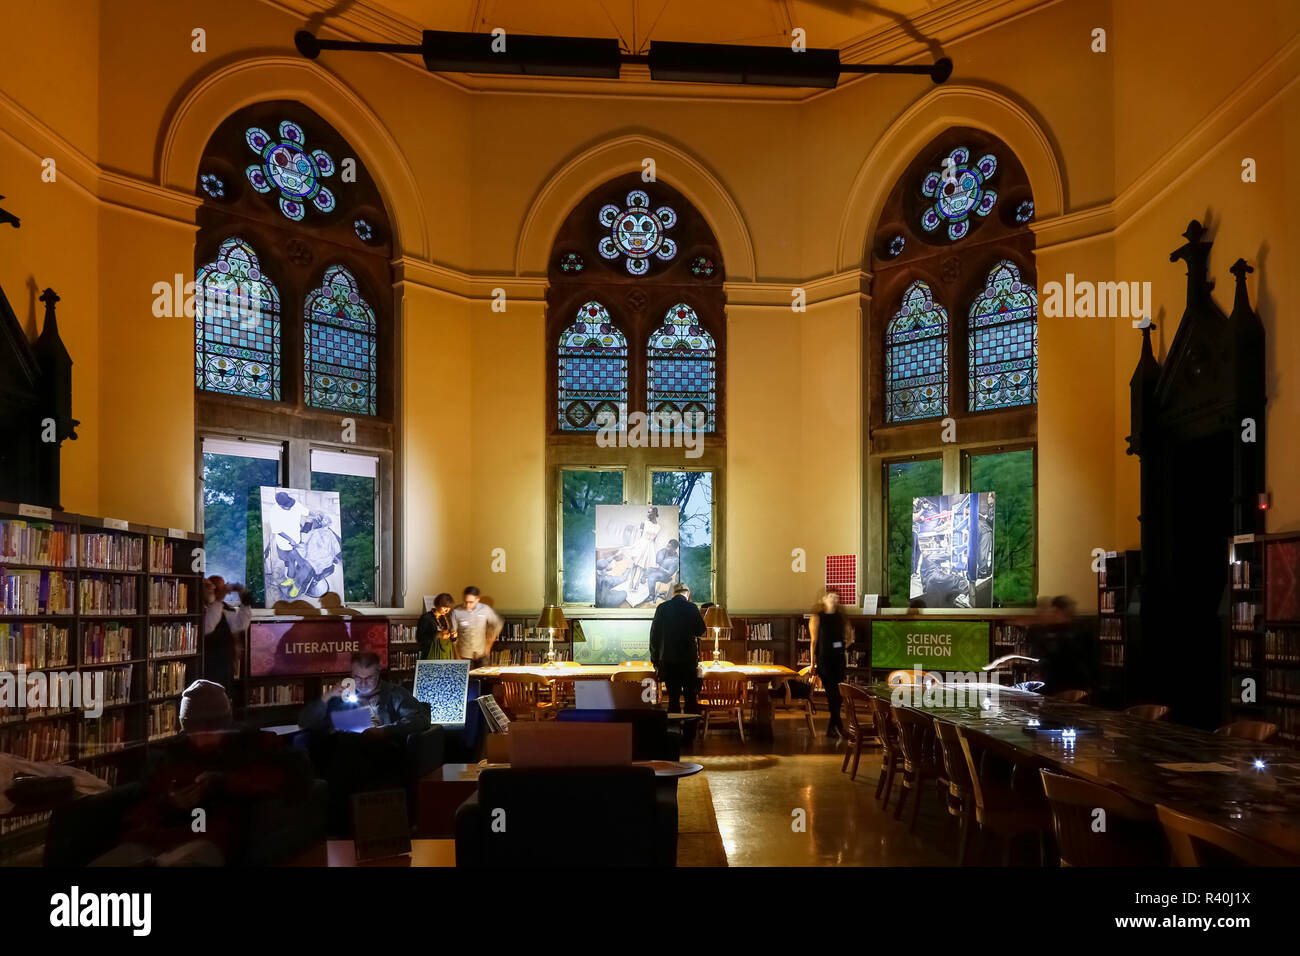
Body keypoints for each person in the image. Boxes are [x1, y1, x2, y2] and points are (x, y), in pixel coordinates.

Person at [96, 680, 313, 866]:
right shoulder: (172, 752)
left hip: (212, 839)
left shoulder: (253, 744)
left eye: (208, 732)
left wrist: (223, 783)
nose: (200, 740)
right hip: (160, 836)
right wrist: (170, 801)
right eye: (193, 732)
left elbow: (299, 776)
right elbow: (143, 800)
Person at [297, 652, 432, 834]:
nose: (362, 683)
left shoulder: (394, 694)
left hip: (382, 752)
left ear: (378, 673)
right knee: (338, 743)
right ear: (351, 675)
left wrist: (384, 730)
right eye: (357, 677)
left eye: (369, 678)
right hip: (345, 751)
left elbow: (421, 719)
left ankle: (335, 824)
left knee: (345, 747)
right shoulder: (342, 696)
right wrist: (327, 696)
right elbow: (306, 722)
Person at [649, 583, 705, 713]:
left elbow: (654, 636)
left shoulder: (662, 608)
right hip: (688, 663)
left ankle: (673, 730)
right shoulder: (691, 607)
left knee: (673, 700)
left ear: (673, 594)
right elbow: (700, 631)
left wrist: (656, 662)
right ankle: (690, 731)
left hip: (668, 662)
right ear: (688, 594)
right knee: (690, 699)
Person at [1027, 595, 1095, 694]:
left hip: (1068, 686)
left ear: (1057, 610)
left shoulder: (1072, 633)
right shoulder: (1054, 631)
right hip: (1065, 684)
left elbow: (1057, 658)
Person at [809, 590, 849, 737]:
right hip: (824, 660)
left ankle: (833, 727)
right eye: (831, 597)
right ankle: (837, 726)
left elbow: (848, 636)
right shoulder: (817, 617)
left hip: (838, 660)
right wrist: (813, 664)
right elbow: (813, 641)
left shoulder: (840, 617)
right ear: (824, 599)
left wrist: (843, 646)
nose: (834, 600)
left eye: (836, 598)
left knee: (838, 695)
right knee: (832, 693)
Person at [202, 576, 251, 691]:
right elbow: (208, 627)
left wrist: (244, 597)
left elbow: (241, 623)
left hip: (225, 664)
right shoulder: (201, 610)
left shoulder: (223, 609)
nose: (215, 590)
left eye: (219, 589)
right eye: (210, 587)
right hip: (207, 667)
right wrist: (218, 601)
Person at [266, 490, 312, 599]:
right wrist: (290, 539)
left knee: (300, 562)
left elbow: (307, 512)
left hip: (297, 540)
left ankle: (297, 583)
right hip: (283, 542)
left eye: (290, 505)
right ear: (280, 505)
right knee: (288, 560)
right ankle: (290, 578)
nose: (290, 507)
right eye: (287, 507)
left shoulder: (295, 504)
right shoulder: (274, 511)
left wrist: (314, 516)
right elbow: (277, 529)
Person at [450, 586, 503, 668]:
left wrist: (489, 644)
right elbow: (453, 637)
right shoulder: (456, 612)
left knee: (486, 679)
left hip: (482, 654)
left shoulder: (485, 609)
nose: (467, 605)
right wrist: (456, 655)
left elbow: (497, 624)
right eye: (465, 601)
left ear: (477, 599)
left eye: (471, 602)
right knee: (469, 680)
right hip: (464, 656)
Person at [627, 507, 662, 589]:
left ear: (654, 514)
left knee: (643, 566)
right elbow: (639, 535)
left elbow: (655, 540)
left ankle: (637, 583)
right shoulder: (644, 522)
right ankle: (631, 581)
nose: (648, 514)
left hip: (649, 547)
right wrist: (636, 546)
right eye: (648, 512)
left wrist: (652, 552)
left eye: (650, 512)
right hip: (641, 543)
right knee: (635, 563)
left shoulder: (658, 527)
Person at [416, 593, 457, 659]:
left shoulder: (447, 617)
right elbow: (420, 638)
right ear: (437, 605)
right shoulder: (426, 618)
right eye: (444, 608)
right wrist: (437, 635)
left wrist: (453, 636)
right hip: (432, 654)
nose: (447, 610)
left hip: (446, 655)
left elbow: (450, 637)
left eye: (448, 608)